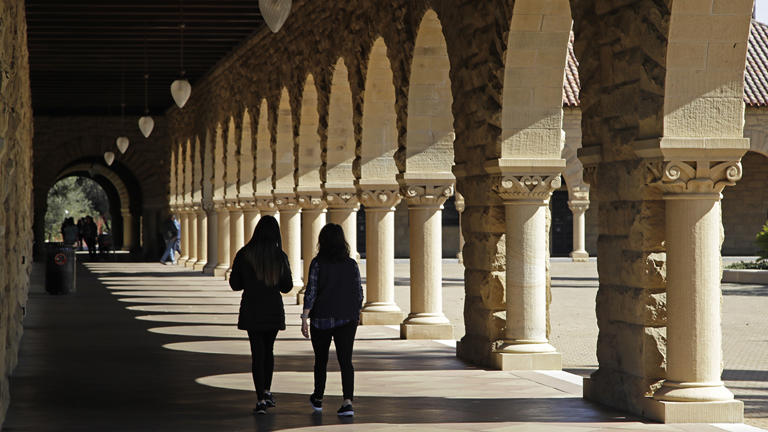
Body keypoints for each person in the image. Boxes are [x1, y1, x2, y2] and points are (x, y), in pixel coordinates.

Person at [229, 215, 294, 415]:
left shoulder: (244, 253)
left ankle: (260, 399)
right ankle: (267, 391)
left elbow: (235, 284)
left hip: (252, 309)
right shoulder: (279, 256)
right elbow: (287, 286)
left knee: (257, 353)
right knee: (269, 350)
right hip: (272, 309)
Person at [301, 223, 363, 417]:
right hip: (346, 318)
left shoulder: (317, 263)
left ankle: (318, 397)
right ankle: (347, 401)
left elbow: (311, 291)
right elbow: (359, 293)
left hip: (322, 318)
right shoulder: (351, 264)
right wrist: (354, 313)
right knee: (346, 361)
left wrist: (305, 317)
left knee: (321, 360)